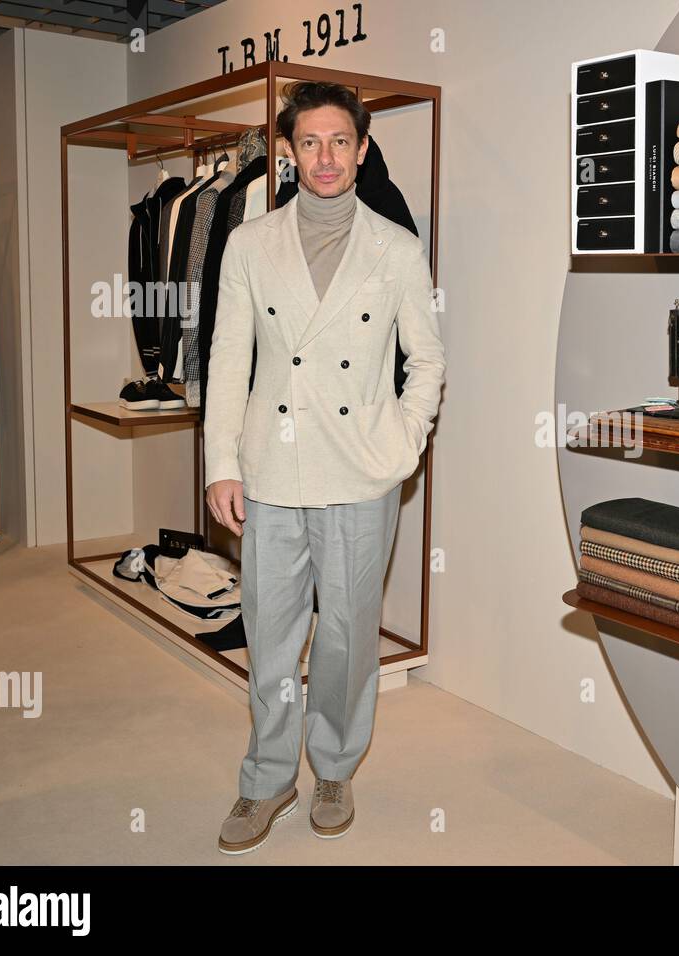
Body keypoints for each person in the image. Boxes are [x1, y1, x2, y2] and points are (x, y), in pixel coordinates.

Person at [203, 81, 445, 855]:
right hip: (271, 469)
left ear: (363, 148)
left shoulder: (397, 248)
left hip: (360, 472)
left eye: (340, 141)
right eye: (310, 142)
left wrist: (404, 439)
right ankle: (268, 778)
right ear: (290, 151)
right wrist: (219, 463)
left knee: (345, 638)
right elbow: (227, 358)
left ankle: (334, 766)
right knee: (271, 636)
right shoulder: (249, 244)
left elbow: (428, 357)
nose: (326, 156)